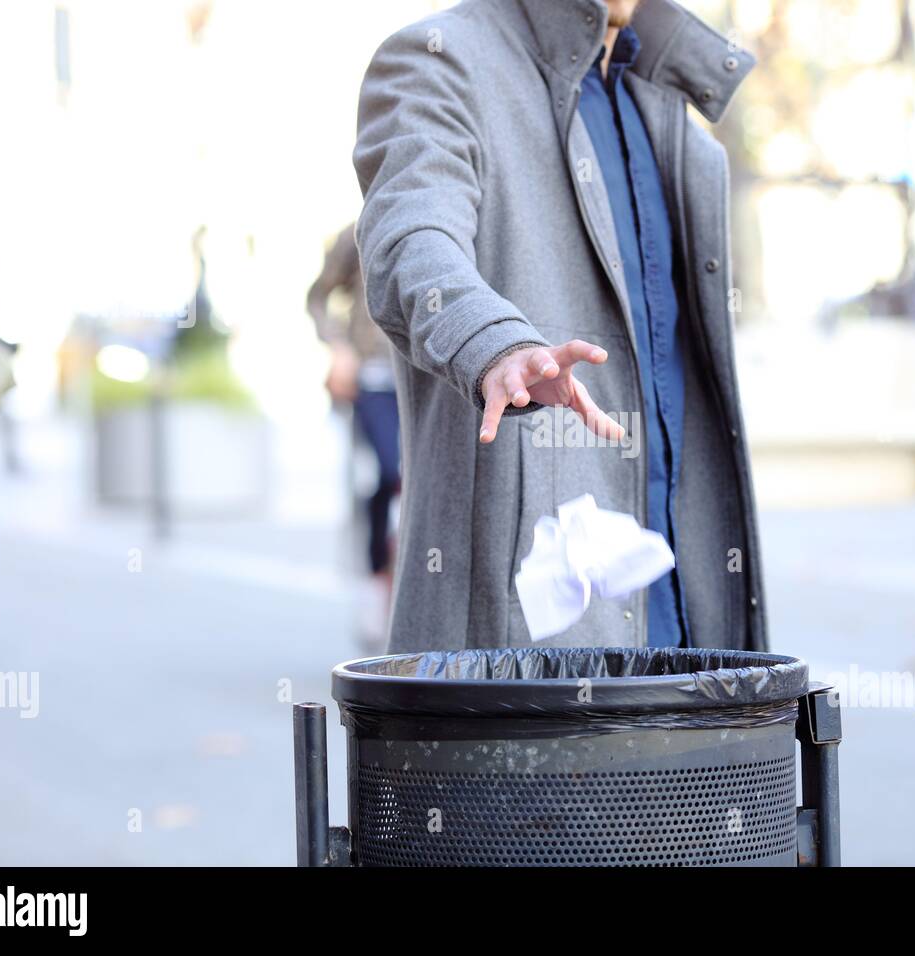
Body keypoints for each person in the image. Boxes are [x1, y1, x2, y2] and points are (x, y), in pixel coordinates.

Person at [353, 0, 766, 652]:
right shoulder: (438, 59)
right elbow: (410, 238)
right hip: (528, 659)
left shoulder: (660, 90)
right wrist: (493, 341)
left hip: (692, 633)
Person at [306, 225, 401, 643]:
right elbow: (317, 298)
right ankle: (375, 579)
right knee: (387, 472)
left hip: (434, 379)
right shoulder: (359, 230)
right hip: (375, 378)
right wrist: (340, 349)